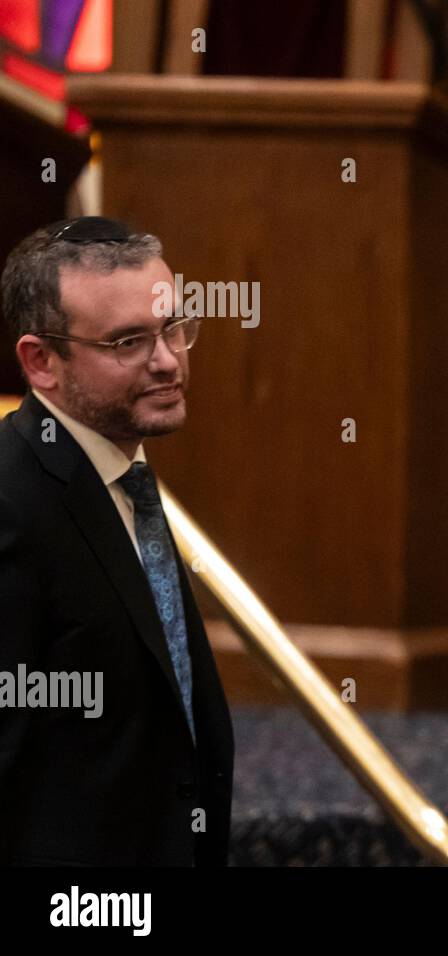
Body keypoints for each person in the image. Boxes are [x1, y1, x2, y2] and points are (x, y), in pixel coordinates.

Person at [0, 216, 234, 865]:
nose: (167, 361)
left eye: (174, 328)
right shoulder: (10, 507)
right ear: (41, 361)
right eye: (128, 341)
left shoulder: (122, 471)